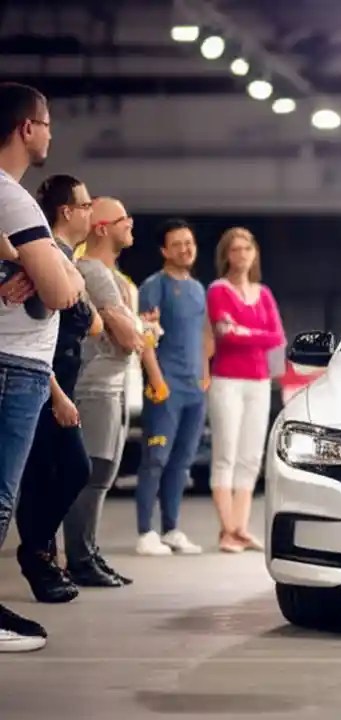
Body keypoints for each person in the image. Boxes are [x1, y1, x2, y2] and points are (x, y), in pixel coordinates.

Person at [0, 82, 85, 652]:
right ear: (27, 127)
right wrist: (52, 264)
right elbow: (62, 292)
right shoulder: (13, 197)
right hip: (14, 366)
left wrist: (22, 256)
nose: (51, 132)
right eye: (47, 122)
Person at [12, 175, 98, 605]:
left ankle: (43, 556)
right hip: (43, 383)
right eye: (86, 205)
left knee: (46, 473)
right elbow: (31, 336)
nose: (91, 212)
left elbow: (89, 321)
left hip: (59, 382)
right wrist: (57, 393)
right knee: (69, 469)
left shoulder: (63, 257)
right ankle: (36, 553)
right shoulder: (46, 259)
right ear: (66, 211)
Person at [63, 196, 145, 586]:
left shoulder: (112, 277)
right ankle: (79, 559)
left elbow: (131, 333)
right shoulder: (93, 272)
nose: (130, 224)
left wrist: (138, 332)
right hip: (95, 386)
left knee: (103, 475)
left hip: (111, 386)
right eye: (122, 219)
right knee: (92, 475)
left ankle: (89, 552)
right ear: (102, 228)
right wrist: (140, 332)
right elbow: (129, 337)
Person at [206, 227, 283, 553]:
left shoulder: (263, 293)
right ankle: (227, 530)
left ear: (254, 254)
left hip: (259, 380)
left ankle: (240, 528)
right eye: (235, 250)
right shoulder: (218, 290)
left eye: (247, 249)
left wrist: (244, 330)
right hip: (227, 380)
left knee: (251, 457)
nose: (242, 255)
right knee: (226, 453)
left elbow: (277, 336)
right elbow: (226, 335)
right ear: (226, 255)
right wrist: (253, 332)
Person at [134, 219, 208, 556]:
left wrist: (205, 376)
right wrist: (157, 379)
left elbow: (204, 336)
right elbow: (145, 337)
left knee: (182, 461)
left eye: (189, 242)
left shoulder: (197, 288)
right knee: (156, 458)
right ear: (164, 251)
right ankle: (145, 531)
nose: (185, 249)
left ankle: (172, 529)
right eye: (177, 244)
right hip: (165, 387)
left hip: (195, 389)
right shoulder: (155, 285)